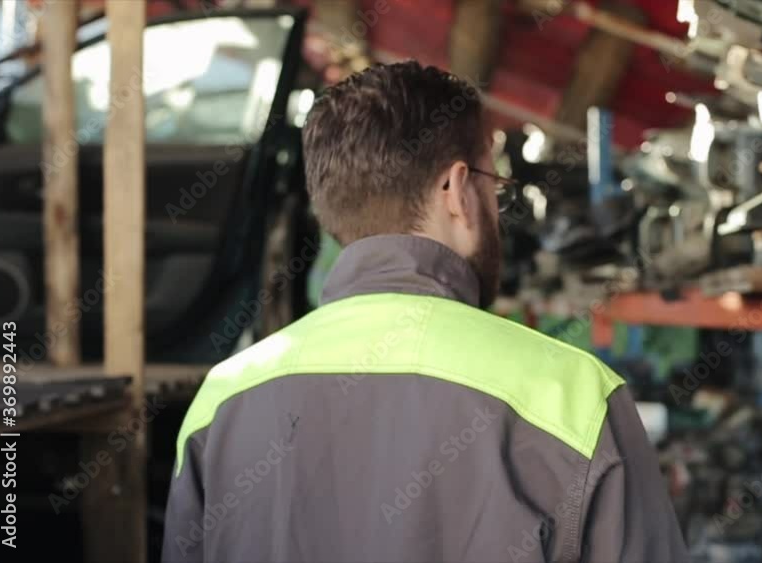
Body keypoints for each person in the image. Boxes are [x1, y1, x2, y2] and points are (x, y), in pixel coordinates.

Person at [163, 61, 689, 563]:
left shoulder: (222, 401)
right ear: (457, 191)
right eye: (494, 188)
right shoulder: (574, 398)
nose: (499, 214)